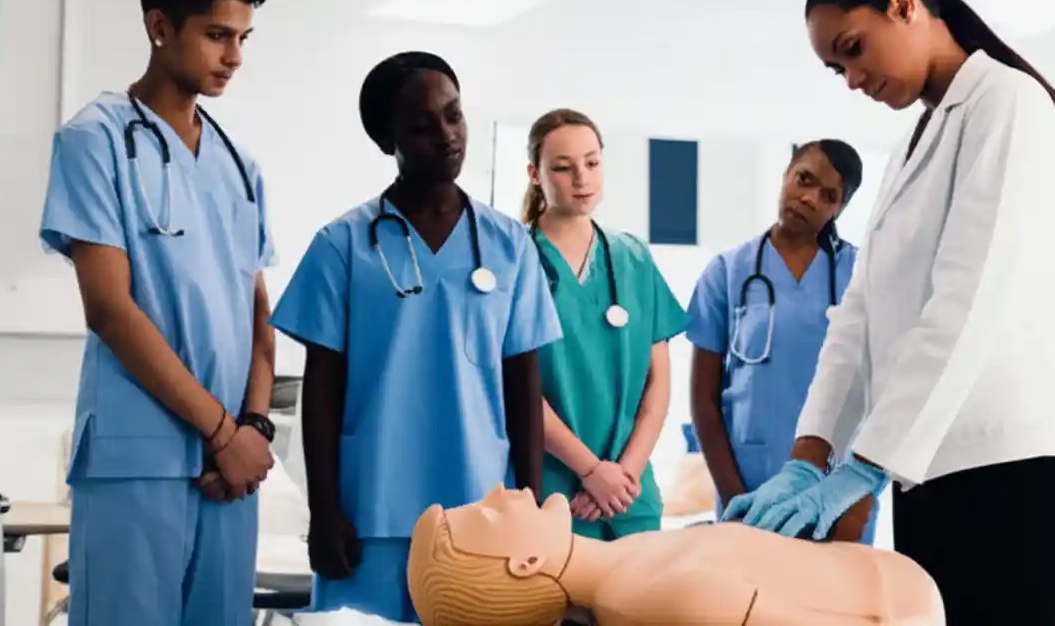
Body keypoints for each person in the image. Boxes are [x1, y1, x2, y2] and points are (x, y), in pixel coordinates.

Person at [732, 0, 1055, 624]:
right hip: (927, 464)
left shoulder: (1007, 102)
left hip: (1008, 461)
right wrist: (809, 459)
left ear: (904, 4)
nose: (851, 78)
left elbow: (969, 300)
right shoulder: (915, 140)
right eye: (837, 67)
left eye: (853, 50)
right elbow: (859, 316)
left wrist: (865, 465)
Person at [268, 51, 563, 622]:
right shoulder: (343, 245)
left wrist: (528, 504)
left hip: (483, 515)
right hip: (372, 513)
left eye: (454, 116)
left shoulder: (509, 246)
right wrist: (323, 511)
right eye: (422, 126)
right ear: (387, 140)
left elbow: (523, 386)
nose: (447, 136)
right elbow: (321, 390)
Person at [38, 0, 276, 626]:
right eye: (217, 35)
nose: (233, 57)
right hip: (138, 456)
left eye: (243, 39)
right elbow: (110, 309)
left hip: (229, 472)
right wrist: (223, 431)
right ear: (160, 27)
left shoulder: (238, 164)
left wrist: (253, 429)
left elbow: (257, 315)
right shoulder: (96, 141)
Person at [689, 140, 879, 543]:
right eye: (803, 180)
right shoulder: (726, 271)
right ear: (786, 175)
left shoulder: (863, 274)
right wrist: (734, 498)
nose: (808, 198)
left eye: (828, 196)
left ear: (839, 209)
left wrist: (857, 495)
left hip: (835, 493)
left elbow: (882, 390)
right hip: (747, 483)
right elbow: (704, 401)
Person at [405, 485, 946, 626]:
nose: (501, 492)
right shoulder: (643, 601)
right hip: (899, 601)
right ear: (524, 565)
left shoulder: (627, 567)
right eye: (489, 515)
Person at [520, 108, 689, 540]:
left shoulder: (633, 258)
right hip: (552, 494)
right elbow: (514, 388)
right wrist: (590, 471)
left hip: (629, 495)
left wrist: (620, 478)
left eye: (592, 163)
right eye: (563, 167)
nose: (582, 178)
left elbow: (658, 385)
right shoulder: (513, 261)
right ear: (535, 174)